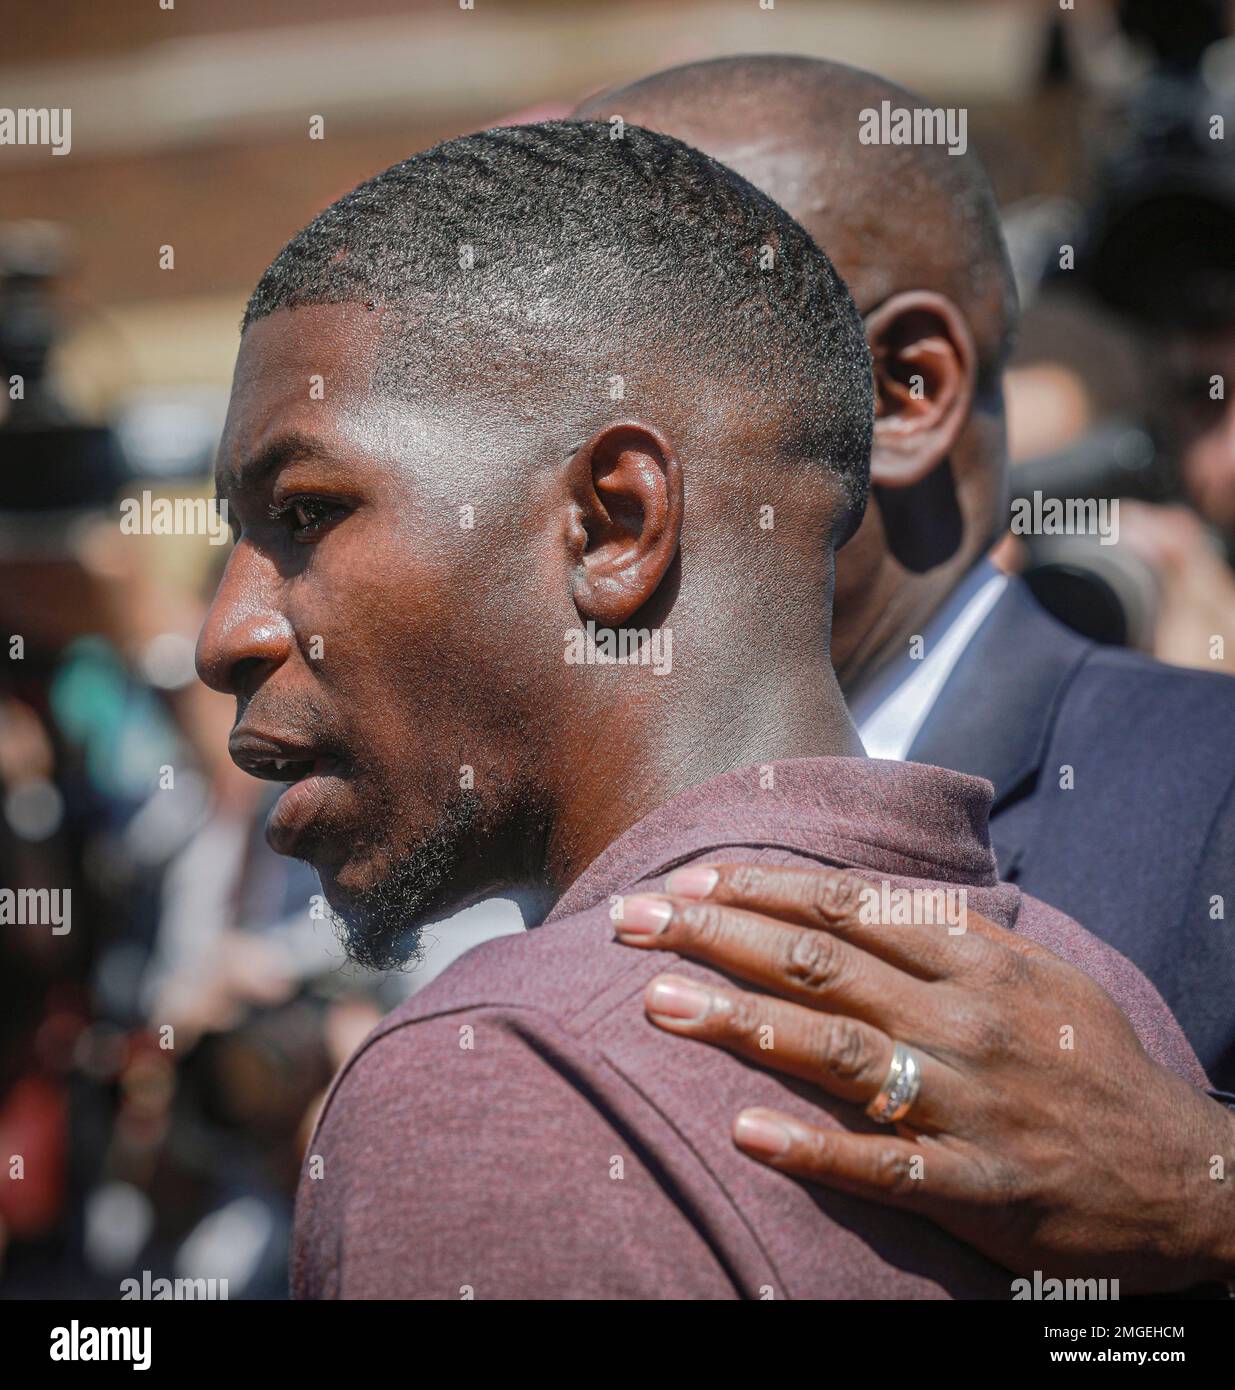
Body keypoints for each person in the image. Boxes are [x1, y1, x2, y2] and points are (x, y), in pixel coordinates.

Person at [199, 121, 1211, 1297]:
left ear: (613, 525)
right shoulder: (1097, 1012)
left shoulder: (504, 1083)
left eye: (306, 514)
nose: (228, 634)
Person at [573, 55, 1235, 1091]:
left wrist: (1195, 1192)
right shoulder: (541, 821)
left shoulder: (1208, 810)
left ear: (902, 393)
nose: (546, 461)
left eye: (608, 377)